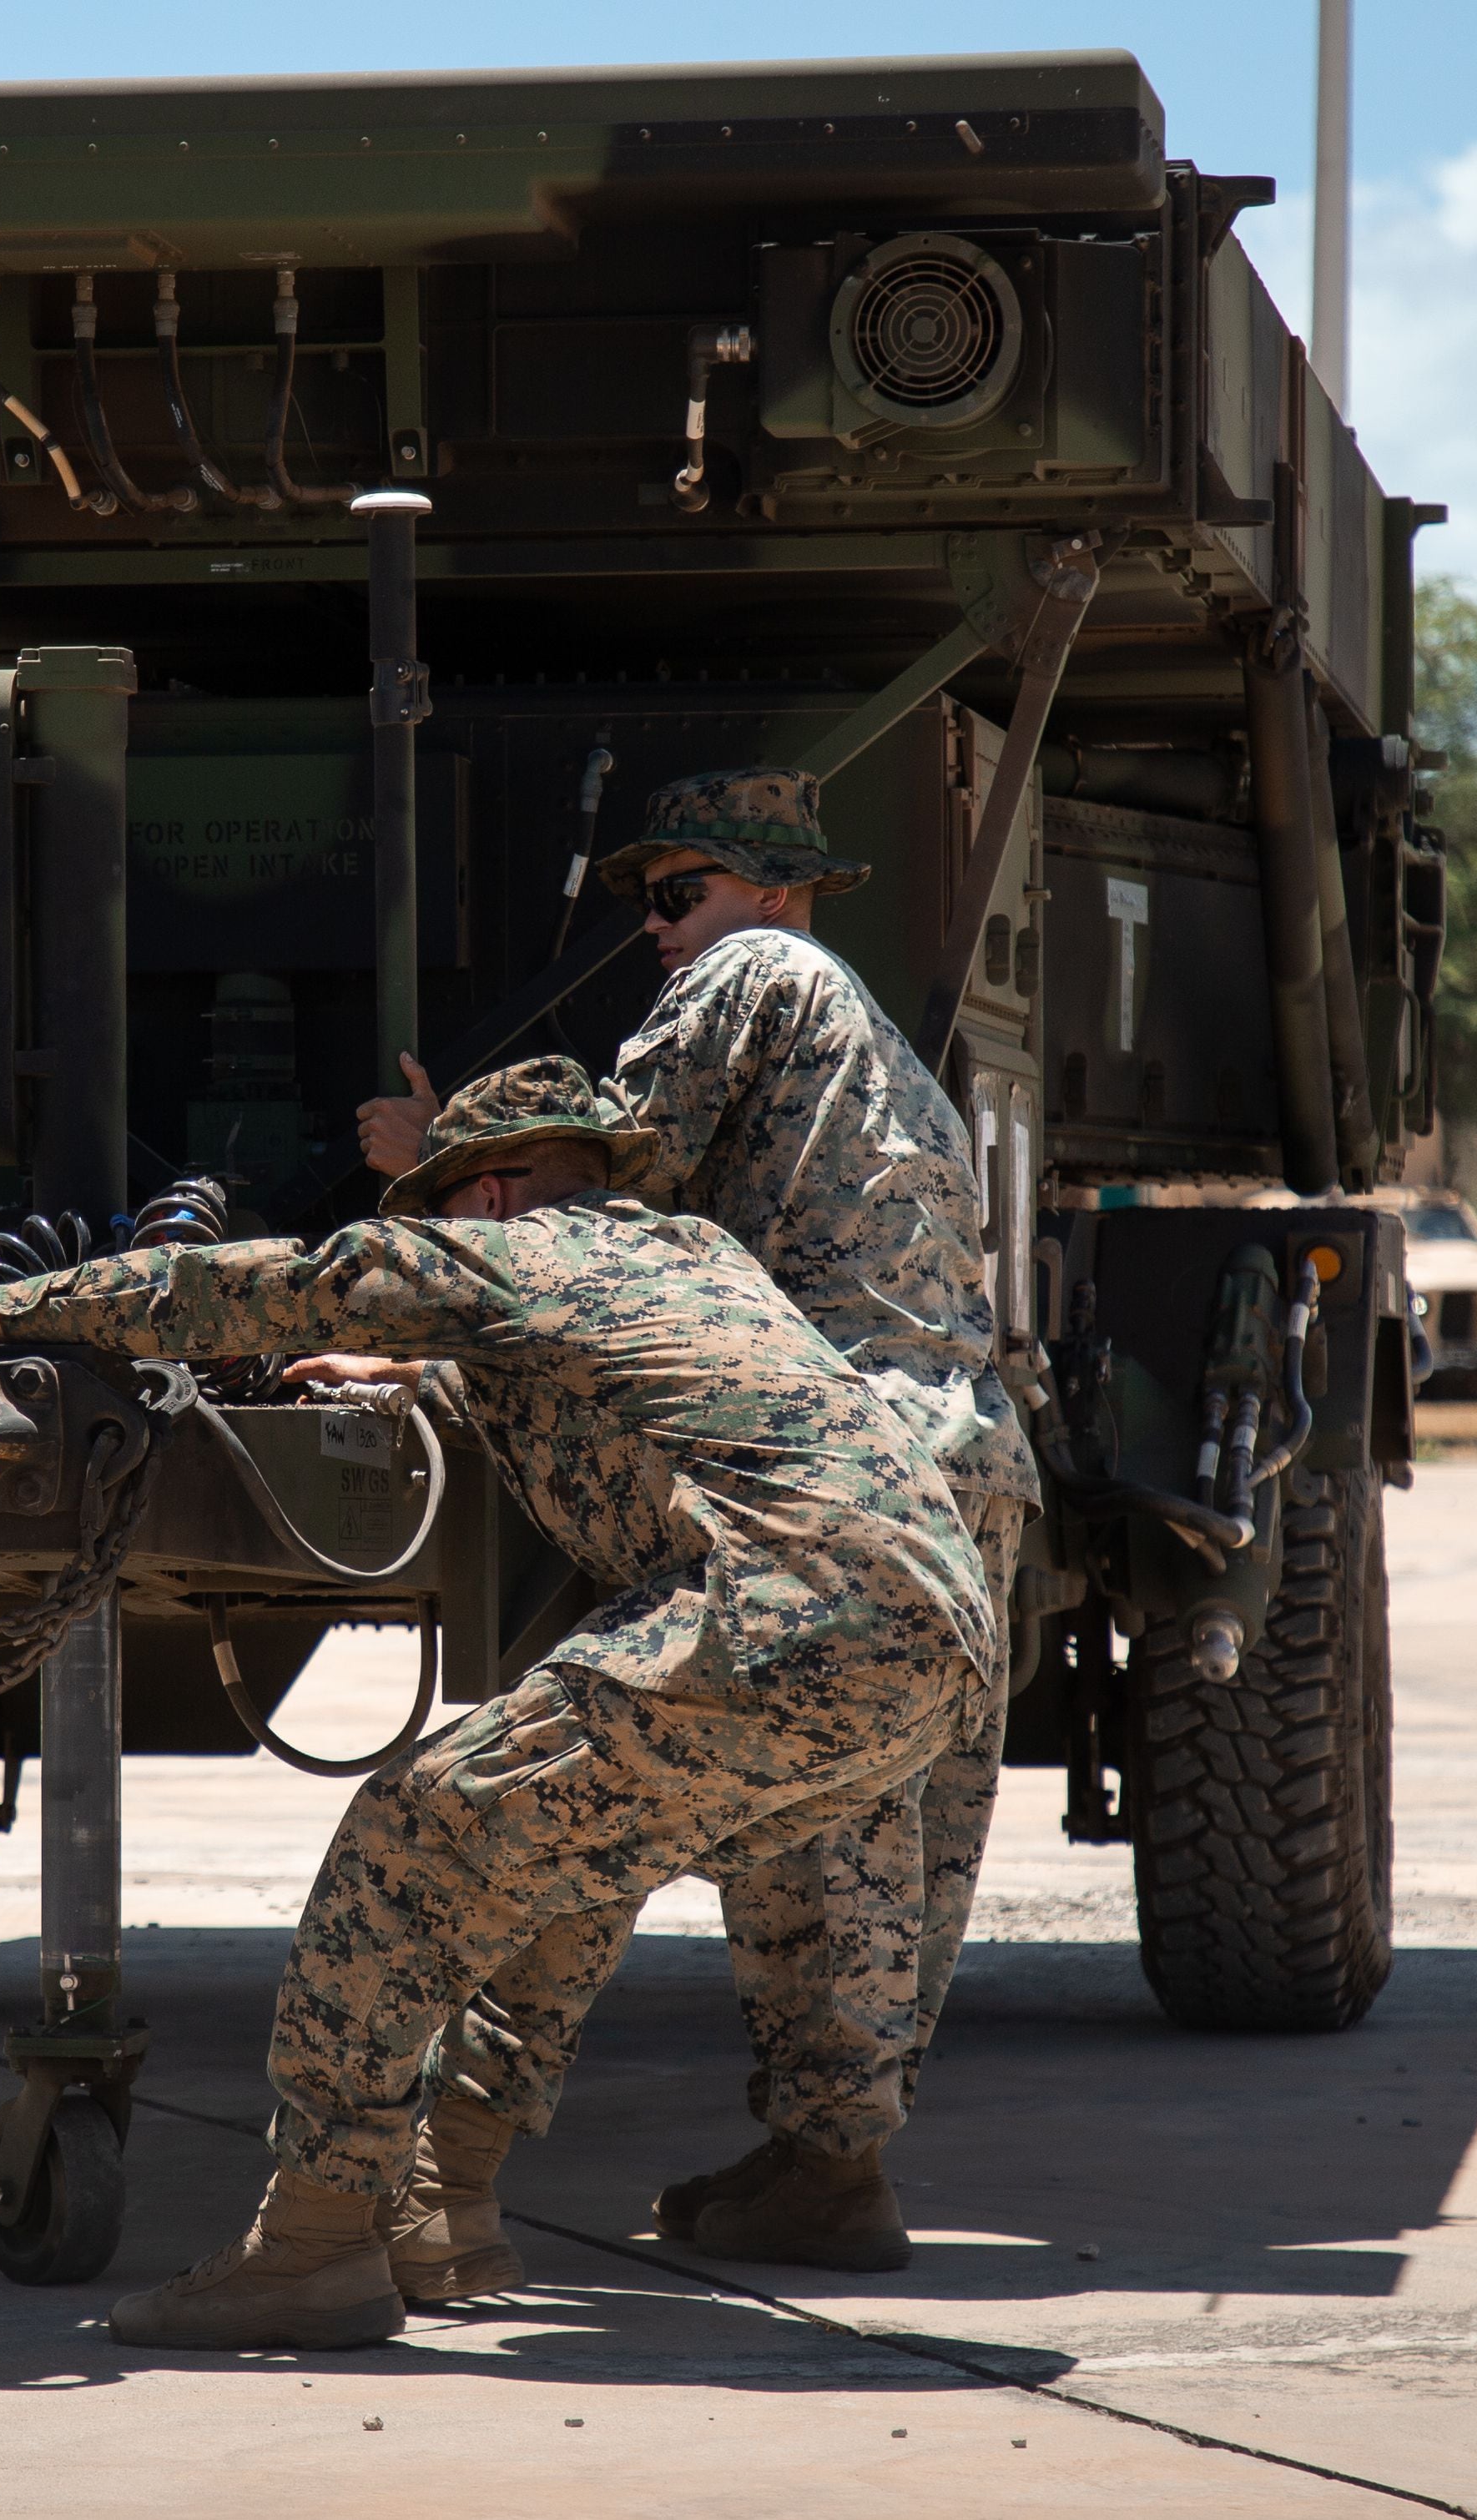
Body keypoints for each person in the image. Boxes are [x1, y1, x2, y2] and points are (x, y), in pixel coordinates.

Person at [0, 1057, 994, 2352]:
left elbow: (253, 1283)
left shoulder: (519, 1251)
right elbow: (587, 1371)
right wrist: (426, 1371)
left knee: (404, 1843)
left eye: (434, 1214)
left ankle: (315, 2242)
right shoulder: (685, 1255)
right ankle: (482, 2199)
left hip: (787, 1611)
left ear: (491, 1189)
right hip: (931, 1643)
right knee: (570, 1854)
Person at [355, 764, 1038, 2277]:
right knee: (889, 1840)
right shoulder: (856, 1039)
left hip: (846, 1461)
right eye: (652, 905)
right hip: (959, 1452)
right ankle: (830, 2164)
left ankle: (774, 2165)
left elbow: (620, 1172)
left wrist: (437, 1174)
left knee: (739, 1814)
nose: (659, 930)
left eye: (679, 894)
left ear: (771, 894)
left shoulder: (756, 971)